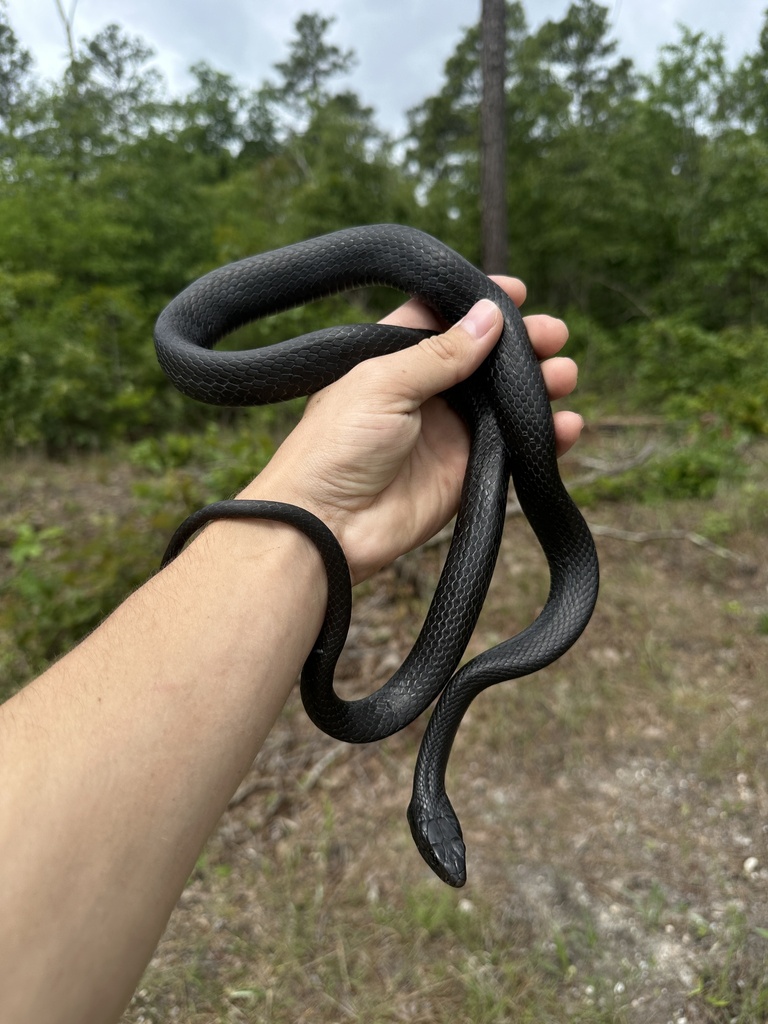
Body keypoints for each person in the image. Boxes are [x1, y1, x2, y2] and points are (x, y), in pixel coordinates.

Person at [0, 279, 583, 1024]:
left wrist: (313, 521)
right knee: (502, 365)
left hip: (467, 420)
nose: (448, 862)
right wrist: (316, 508)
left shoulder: (385, 705)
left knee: (507, 391)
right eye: (446, 849)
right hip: (449, 398)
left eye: (442, 850)